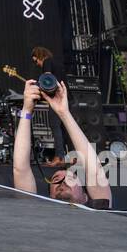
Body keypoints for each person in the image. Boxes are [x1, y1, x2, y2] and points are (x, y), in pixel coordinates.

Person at [12, 79, 113, 209]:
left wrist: (63, 113)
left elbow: (94, 170)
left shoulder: (98, 209)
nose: (62, 182)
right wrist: (26, 110)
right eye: (55, 180)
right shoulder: (35, 211)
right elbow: (20, 169)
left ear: (85, 196)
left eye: (70, 178)